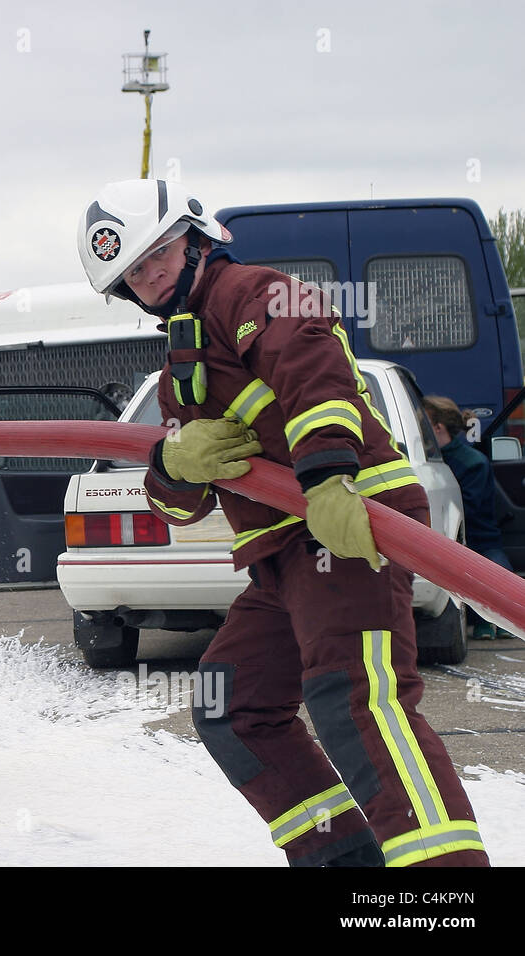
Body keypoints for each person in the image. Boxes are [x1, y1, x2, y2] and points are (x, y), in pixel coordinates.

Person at [79, 179, 489, 867]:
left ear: (196, 239)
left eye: (158, 255)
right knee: (229, 704)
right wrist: (176, 467)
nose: (150, 277)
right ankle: (346, 860)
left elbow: (312, 369)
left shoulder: (256, 291)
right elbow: (182, 505)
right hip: (283, 553)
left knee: (357, 702)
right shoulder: (183, 360)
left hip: (350, 520)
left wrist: (328, 477)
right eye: (134, 274)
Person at [423, 395, 514, 638]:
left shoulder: (469, 462)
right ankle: (495, 621)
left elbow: (468, 510)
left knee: (491, 580)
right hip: (479, 541)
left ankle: (495, 621)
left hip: (479, 542)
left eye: (424, 423)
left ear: (438, 428)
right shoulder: (465, 459)